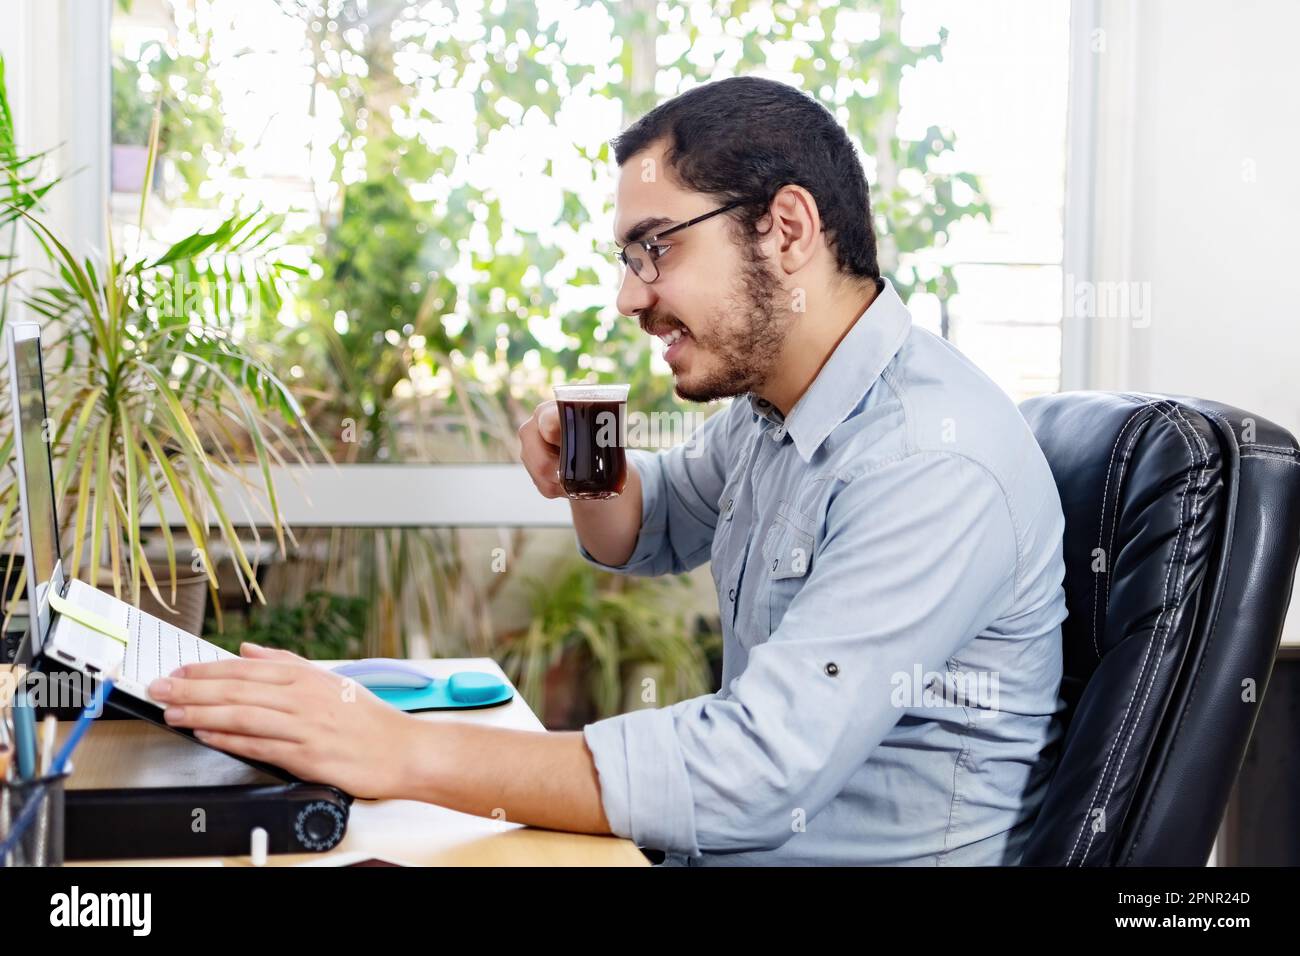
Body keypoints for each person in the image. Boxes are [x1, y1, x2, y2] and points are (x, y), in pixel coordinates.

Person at [149, 75, 1068, 865]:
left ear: (788, 229)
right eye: (628, 258)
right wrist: (593, 468)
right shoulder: (777, 413)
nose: (631, 296)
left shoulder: (929, 462)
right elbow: (652, 525)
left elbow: (752, 768)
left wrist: (402, 750)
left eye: (656, 247)